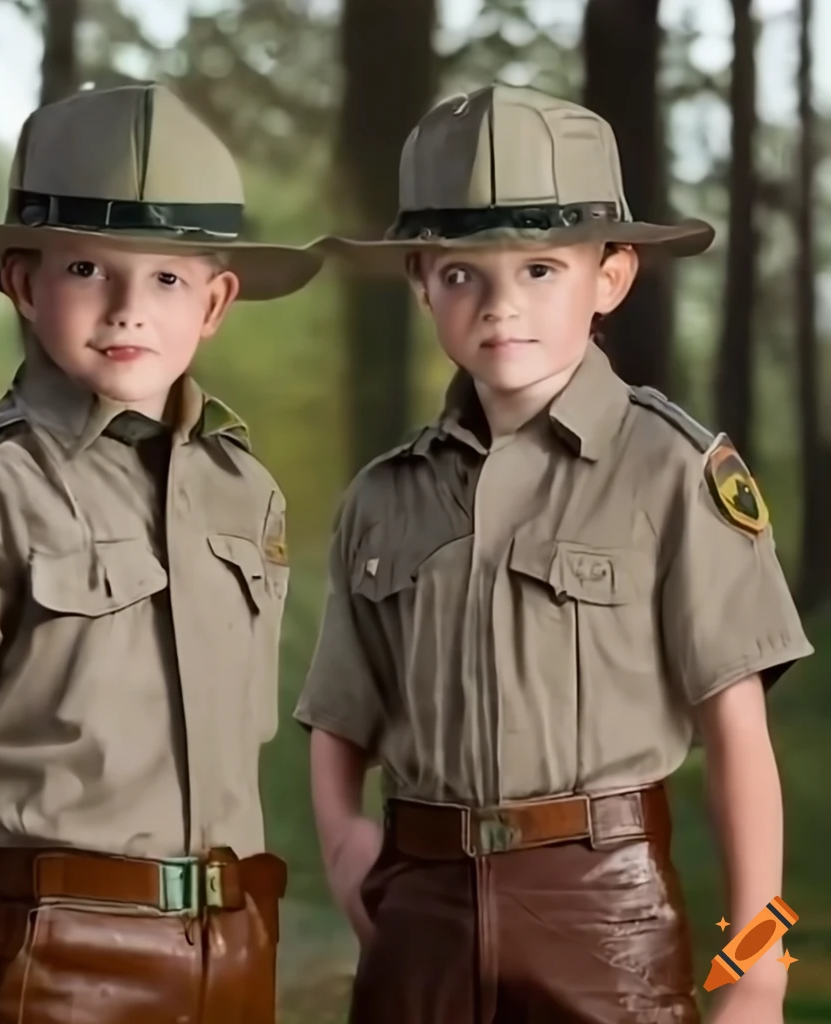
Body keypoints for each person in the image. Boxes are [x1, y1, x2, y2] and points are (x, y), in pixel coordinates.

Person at [294, 84, 812, 1024]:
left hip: (604, 912)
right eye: (462, 275)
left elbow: (740, 739)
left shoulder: (673, 471)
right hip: (421, 909)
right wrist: (344, 851)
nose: (500, 306)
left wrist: (759, 965)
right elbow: (340, 714)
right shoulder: (383, 497)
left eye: (540, 269)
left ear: (610, 276)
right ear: (420, 279)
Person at [0, 82, 322, 1024]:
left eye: (166, 279)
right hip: (57, 967)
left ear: (217, 302)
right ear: (24, 283)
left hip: (237, 954)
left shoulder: (246, 491)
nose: (126, 310)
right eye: (86, 271)